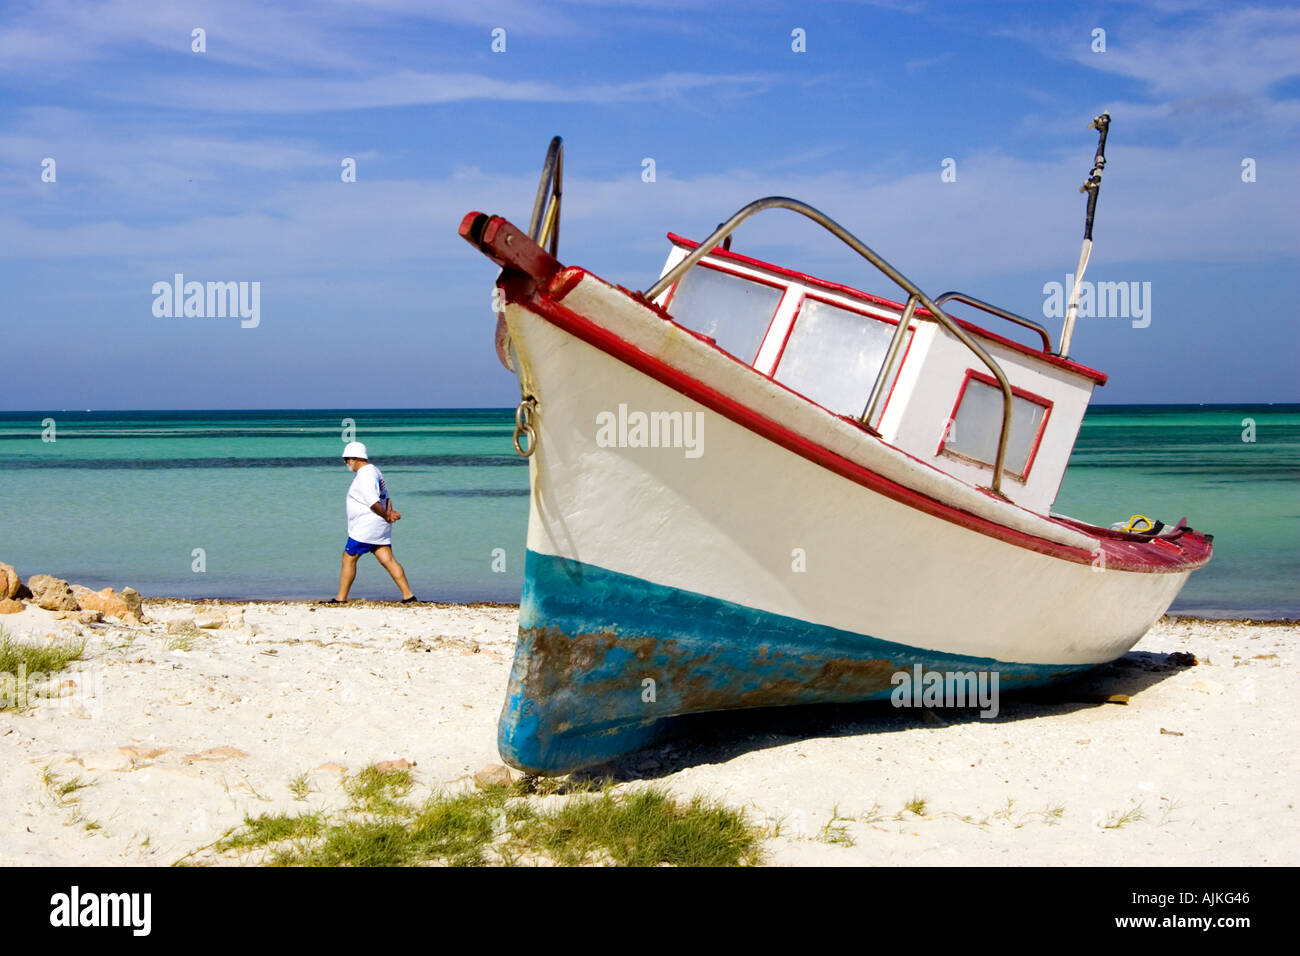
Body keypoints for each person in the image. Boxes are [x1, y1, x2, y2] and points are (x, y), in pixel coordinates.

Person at [326, 441, 417, 604]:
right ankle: (408, 596)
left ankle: (340, 599)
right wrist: (389, 513)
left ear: (354, 458)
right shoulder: (375, 471)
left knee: (348, 557)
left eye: (346, 459)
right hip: (378, 526)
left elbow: (373, 502)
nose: (346, 463)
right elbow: (386, 497)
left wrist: (386, 516)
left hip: (366, 527)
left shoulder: (364, 475)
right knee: (387, 559)